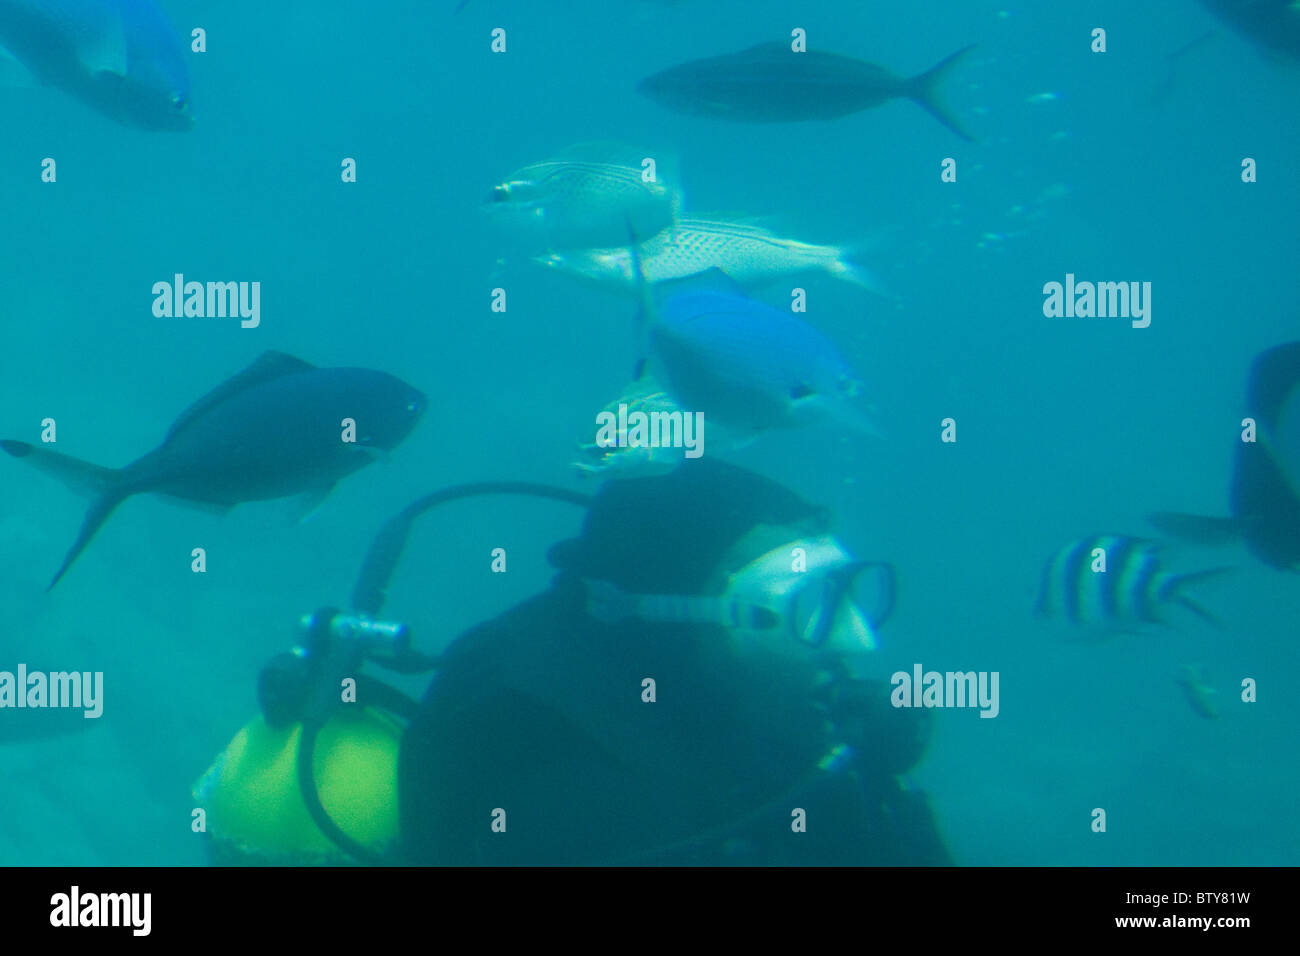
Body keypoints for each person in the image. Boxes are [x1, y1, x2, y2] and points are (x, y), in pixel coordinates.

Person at [398, 459, 952, 865]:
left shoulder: (698, 679)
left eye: (845, 593)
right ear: (680, 612)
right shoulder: (578, 785)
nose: (857, 642)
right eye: (803, 605)